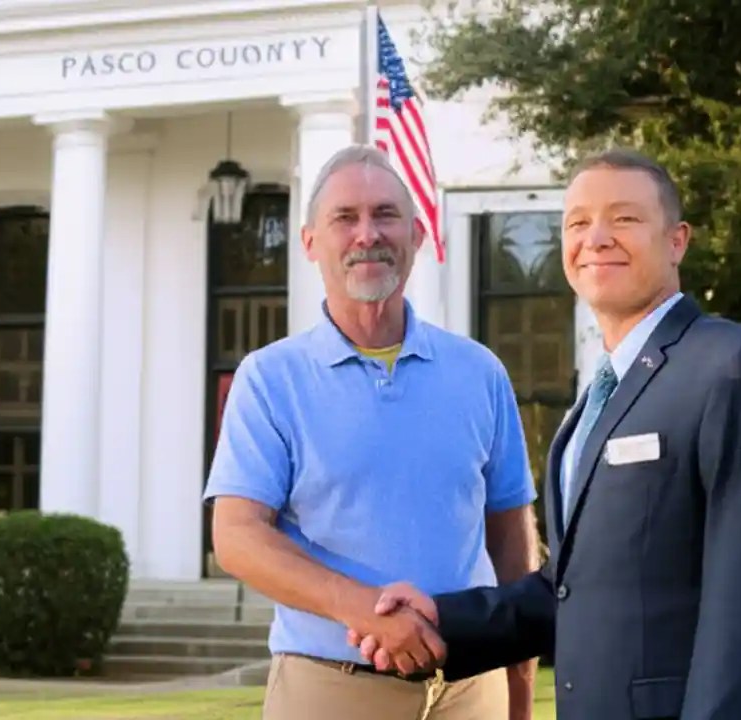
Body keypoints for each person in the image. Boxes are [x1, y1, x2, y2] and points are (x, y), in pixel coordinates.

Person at [348, 149, 741, 720]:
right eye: (577, 222)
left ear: (677, 240)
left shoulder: (736, 368)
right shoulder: (591, 408)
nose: (596, 237)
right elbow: (569, 591)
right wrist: (441, 619)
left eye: (624, 218)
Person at [203, 145, 540, 720]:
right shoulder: (270, 378)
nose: (367, 234)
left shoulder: (478, 371)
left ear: (415, 233)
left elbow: (510, 533)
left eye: (385, 214)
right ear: (310, 242)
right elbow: (236, 536)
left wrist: (519, 686)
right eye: (345, 218)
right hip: (330, 688)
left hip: (471, 689)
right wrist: (362, 608)